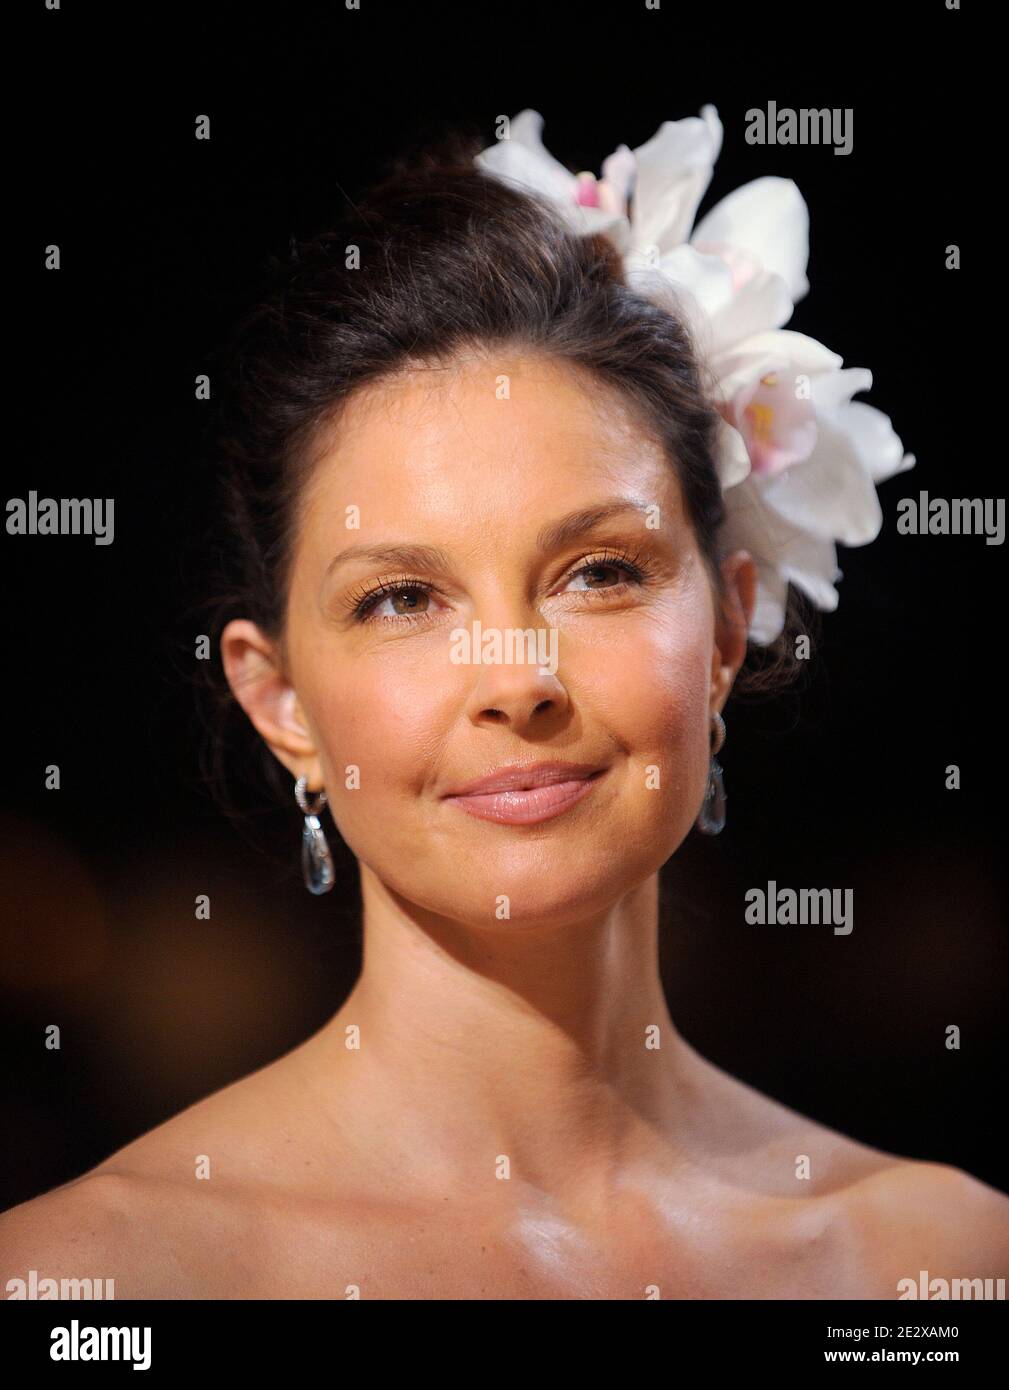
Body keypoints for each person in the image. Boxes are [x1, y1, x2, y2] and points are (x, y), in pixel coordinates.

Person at [4, 118, 1007, 1300]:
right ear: (281, 705)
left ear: (728, 630)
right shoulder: (88, 1283)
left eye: (599, 572)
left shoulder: (936, 1266)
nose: (515, 674)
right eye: (400, 598)